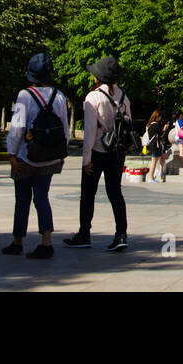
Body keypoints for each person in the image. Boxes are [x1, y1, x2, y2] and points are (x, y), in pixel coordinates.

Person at [2, 52, 69, 259]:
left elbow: (17, 128)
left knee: (22, 198)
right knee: (42, 197)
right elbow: (64, 128)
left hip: (26, 155)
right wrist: (61, 153)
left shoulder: (25, 95)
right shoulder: (59, 95)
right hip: (49, 156)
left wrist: (12, 154)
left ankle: (18, 241)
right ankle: (46, 241)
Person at [65, 57, 129, 251]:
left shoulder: (93, 98)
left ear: (98, 78)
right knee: (115, 192)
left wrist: (86, 159)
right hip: (117, 151)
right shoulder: (124, 97)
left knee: (88, 194)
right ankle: (121, 234)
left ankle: (84, 233)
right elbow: (127, 126)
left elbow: (90, 131)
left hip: (98, 150)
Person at [144, 110, 168, 182]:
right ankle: (151, 177)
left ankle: (158, 173)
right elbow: (160, 134)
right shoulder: (155, 125)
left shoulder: (150, 125)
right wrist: (164, 129)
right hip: (155, 145)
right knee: (154, 161)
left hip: (154, 145)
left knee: (159, 158)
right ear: (157, 117)